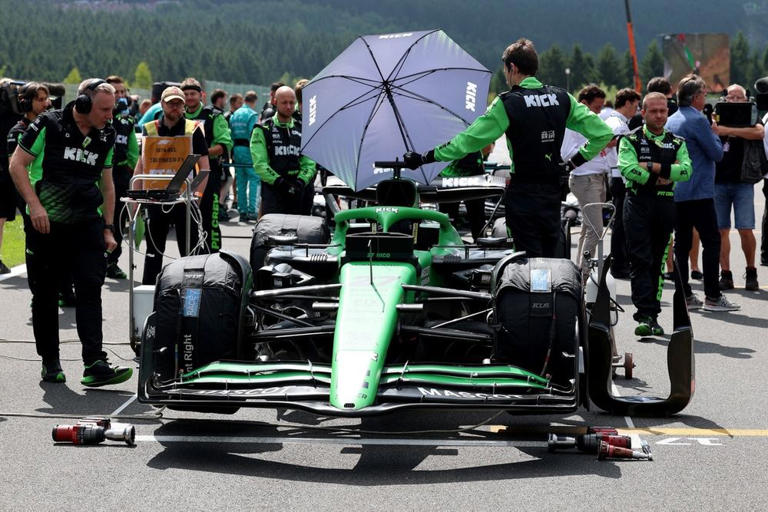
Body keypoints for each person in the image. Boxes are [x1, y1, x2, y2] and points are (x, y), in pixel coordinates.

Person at [404, 38, 613, 257]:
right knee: (551, 254)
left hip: (523, 190)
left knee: (526, 259)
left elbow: (466, 142)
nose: (505, 75)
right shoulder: (562, 97)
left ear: (512, 67)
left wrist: (425, 157)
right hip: (552, 191)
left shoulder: (507, 102)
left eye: (505, 70)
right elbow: (603, 133)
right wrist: (575, 161)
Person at [8, 78, 132, 385]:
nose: (109, 115)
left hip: (87, 223)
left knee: (90, 289)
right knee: (46, 294)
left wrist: (107, 227)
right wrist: (34, 205)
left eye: (112, 109)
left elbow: (107, 184)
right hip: (46, 224)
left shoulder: (107, 133)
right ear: (84, 103)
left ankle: (94, 363)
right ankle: (50, 361)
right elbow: (17, 164)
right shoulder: (48, 124)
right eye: (104, 109)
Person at [618, 92, 692, 336]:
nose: (659, 115)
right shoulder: (630, 139)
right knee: (640, 258)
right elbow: (627, 168)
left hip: (666, 204)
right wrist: (658, 177)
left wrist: (650, 166)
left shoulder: (677, 141)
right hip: (637, 203)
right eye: (654, 111)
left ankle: (654, 314)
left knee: (659, 259)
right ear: (643, 112)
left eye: (663, 111)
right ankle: (645, 314)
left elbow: (686, 171)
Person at [666, 74, 740, 312]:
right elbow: (716, 153)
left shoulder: (672, 119)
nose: (706, 97)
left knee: (682, 243)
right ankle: (712, 296)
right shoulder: (698, 120)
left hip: (678, 189)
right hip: (698, 190)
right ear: (696, 97)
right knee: (711, 241)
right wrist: (716, 134)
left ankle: (685, 294)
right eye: (704, 94)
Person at [134, 86, 211, 285]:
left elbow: (204, 167)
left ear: (184, 105)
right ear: (162, 104)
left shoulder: (193, 129)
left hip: (184, 200)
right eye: (171, 103)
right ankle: (149, 296)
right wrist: (135, 200)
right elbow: (141, 165)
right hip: (155, 199)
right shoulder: (149, 128)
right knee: (153, 253)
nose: (175, 107)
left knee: (190, 253)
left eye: (179, 103)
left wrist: (197, 198)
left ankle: (192, 294)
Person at [712, 84, 763, 291]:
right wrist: (733, 131)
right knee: (721, 229)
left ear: (745, 99)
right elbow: (710, 131)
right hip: (718, 180)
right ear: (724, 99)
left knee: (745, 228)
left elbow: (759, 133)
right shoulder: (715, 115)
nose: (734, 100)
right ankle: (726, 273)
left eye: (738, 97)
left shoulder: (751, 115)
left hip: (743, 180)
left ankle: (751, 271)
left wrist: (728, 131)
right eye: (730, 97)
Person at [1, 83, 51, 274]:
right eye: (40, 100)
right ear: (26, 102)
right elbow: (16, 166)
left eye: (47, 99)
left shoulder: (50, 126)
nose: (46, 103)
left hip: (48, 190)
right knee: (35, 238)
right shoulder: (18, 131)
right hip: (27, 193)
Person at [181, 77, 232, 252]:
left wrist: (199, 153)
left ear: (201, 95)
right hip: (182, 178)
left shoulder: (214, 115)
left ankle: (214, 261)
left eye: (193, 94)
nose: (189, 97)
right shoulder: (178, 115)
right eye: (186, 94)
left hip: (209, 176)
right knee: (186, 223)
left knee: (210, 222)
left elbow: (223, 146)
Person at [561, 84, 609, 266]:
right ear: (583, 104)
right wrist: (594, 148)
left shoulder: (589, 123)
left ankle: (580, 270)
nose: (599, 112)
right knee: (596, 230)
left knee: (587, 229)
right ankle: (584, 276)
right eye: (596, 107)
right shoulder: (572, 125)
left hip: (595, 178)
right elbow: (566, 154)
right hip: (585, 179)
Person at [250, 85, 316, 216]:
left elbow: (309, 162)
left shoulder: (303, 128)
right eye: (284, 102)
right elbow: (260, 164)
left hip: (299, 191)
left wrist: (301, 181)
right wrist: (280, 182)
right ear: (275, 102)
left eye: (292, 102)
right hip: (274, 192)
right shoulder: (262, 129)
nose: (289, 106)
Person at [601, 87, 642, 279]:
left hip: (618, 175)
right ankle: (619, 264)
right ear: (626, 103)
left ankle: (621, 262)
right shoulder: (617, 124)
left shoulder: (618, 121)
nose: (636, 109)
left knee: (622, 223)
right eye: (635, 105)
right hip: (619, 177)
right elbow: (609, 142)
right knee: (621, 224)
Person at [104, 75, 138, 279]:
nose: (119, 95)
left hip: (120, 176)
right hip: (95, 174)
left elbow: (134, 153)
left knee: (117, 220)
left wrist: (133, 173)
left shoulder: (127, 121)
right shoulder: (94, 116)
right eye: (114, 91)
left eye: (122, 92)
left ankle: (112, 261)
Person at [438, 143, 494, 241]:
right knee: (450, 221)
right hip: (458, 177)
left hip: (460, 176)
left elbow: (488, 148)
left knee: (475, 222)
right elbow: (488, 148)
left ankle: (448, 246)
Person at [229, 90, 260, 220]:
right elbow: (252, 134)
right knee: (254, 178)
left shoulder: (234, 114)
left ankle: (242, 210)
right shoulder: (252, 114)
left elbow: (230, 133)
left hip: (236, 148)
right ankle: (252, 210)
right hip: (248, 149)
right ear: (254, 101)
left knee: (240, 180)